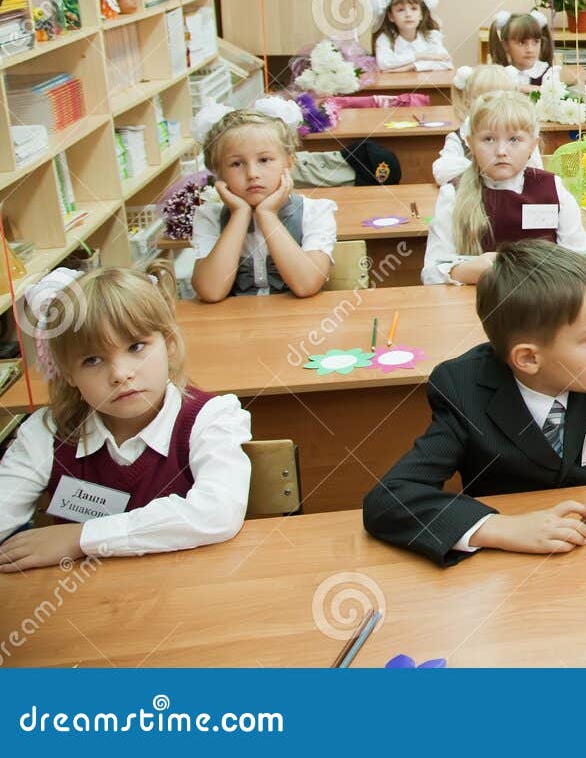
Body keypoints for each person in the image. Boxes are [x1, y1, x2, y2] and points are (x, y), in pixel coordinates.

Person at [364, 241, 586, 566]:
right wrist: (502, 528)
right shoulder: (464, 390)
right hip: (508, 569)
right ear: (529, 359)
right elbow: (390, 498)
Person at [0, 267, 251, 571]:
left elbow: (218, 512)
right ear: (68, 374)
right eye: (92, 360)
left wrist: (82, 537)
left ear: (169, 343)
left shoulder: (210, 418)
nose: (120, 374)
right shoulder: (46, 432)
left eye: (136, 347)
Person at [423, 92, 586, 285]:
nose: (501, 151)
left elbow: (581, 260)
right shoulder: (453, 194)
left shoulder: (553, 188)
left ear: (532, 145)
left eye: (514, 139)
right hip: (477, 299)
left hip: (543, 298)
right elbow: (431, 274)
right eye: (488, 139)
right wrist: (464, 271)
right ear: (471, 144)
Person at [190, 102, 336, 301]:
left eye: (264, 160)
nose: (252, 174)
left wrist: (267, 214)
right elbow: (211, 292)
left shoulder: (315, 212)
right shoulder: (210, 217)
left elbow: (306, 285)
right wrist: (239, 214)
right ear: (219, 172)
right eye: (236, 164)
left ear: (289, 162)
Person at [435, 64, 531, 185]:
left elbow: (535, 171)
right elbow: (441, 172)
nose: (492, 106)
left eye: (501, 99)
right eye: (484, 99)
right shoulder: (458, 137)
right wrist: (485, 167)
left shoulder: (523, 134)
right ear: (467, 103)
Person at [488, 10, 586, 88]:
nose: (530, 49)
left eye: (535, 42)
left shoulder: (551, 75)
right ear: (505, 45)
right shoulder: (498, 77)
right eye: (522, 42)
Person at [371, 0, 451, 72]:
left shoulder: (431, 36)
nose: (408, 14)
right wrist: (419, 56)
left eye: (413, 8)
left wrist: (413, 66)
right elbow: (384, 63)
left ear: (421, 15)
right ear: (391, 16)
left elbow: (447, 63)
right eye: (401, 10)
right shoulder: (386, 38)